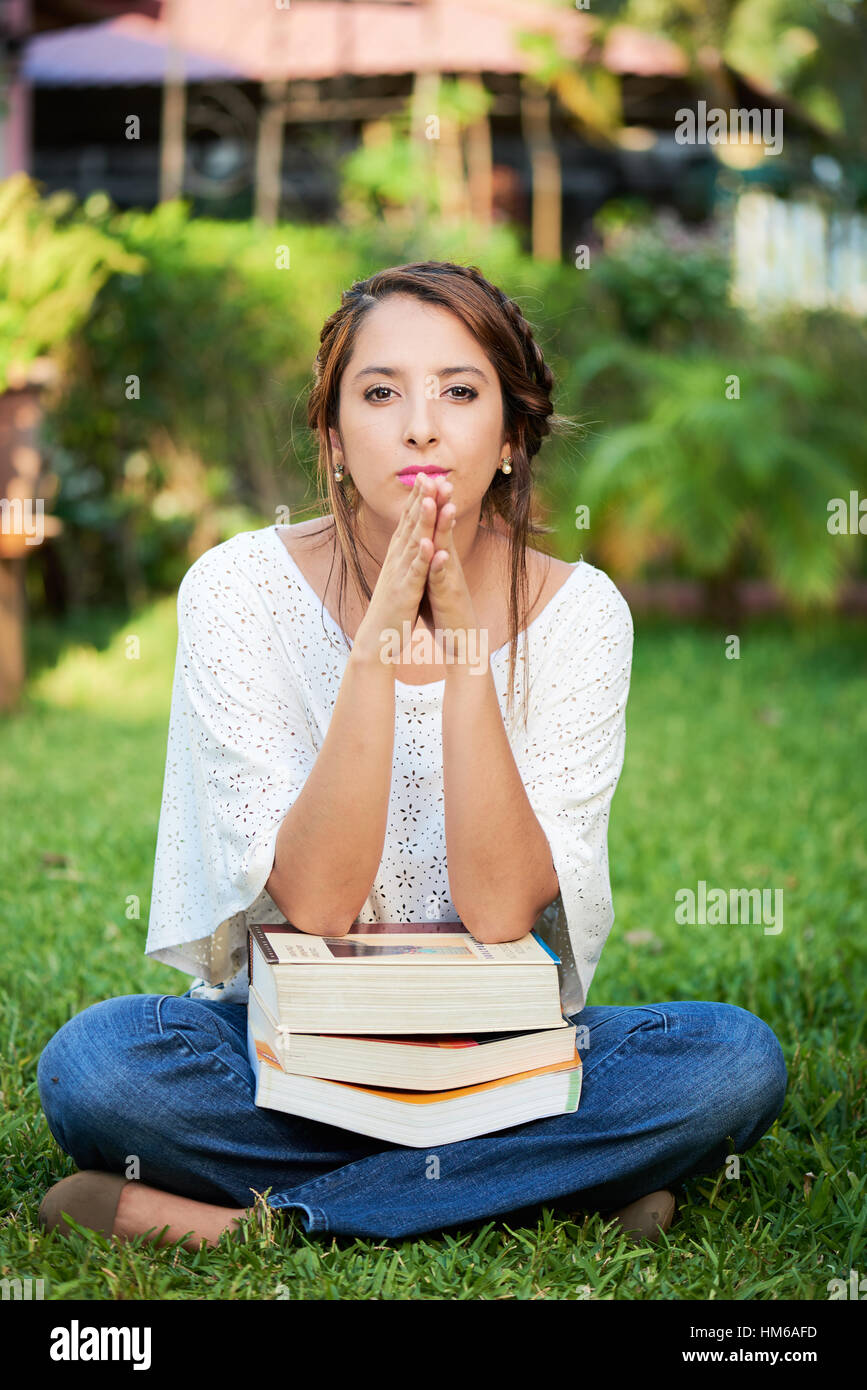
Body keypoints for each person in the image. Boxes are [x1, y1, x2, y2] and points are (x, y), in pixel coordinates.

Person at [37, 261, 787, 1252]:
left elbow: (497, 909)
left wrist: (467, 650)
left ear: (512, 437)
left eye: (461, 392)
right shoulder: (236, 591)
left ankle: (272, 1222)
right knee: (102, 1068)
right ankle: (559, 1188)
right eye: (381, 392)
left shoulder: (585, 614)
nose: (421, 425)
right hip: (289, 1049)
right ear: (333, 436)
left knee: (732, 1061)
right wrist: (377, 653)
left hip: (501, 1053)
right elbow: (315, 902)